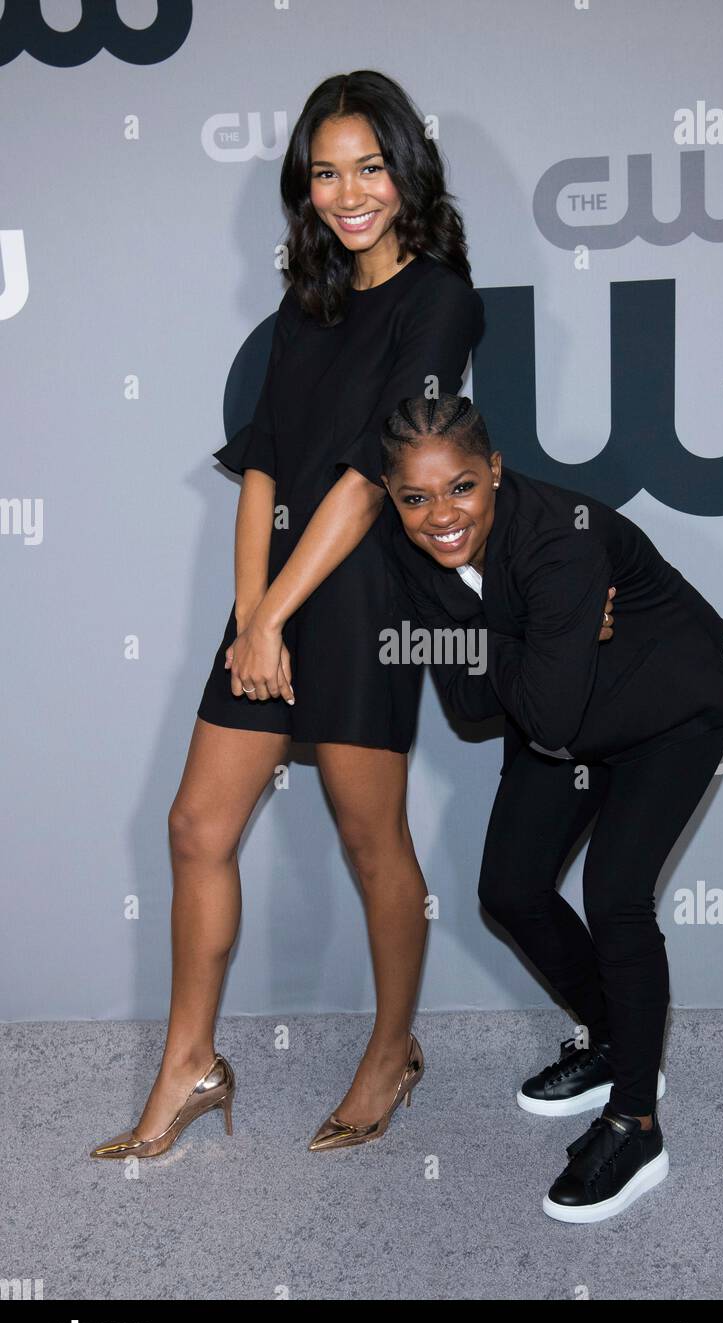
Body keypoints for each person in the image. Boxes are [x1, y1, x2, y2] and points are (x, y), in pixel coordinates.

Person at [90, 72, 494, 1160]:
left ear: (405, 173)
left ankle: (392, 1046)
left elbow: (373, 477)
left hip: (359, 594)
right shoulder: (303, 305)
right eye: (325, 171)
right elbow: (263, 465)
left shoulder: (440, 296)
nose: (347, 192)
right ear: (302, 187)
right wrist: (248, 616)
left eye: (369, 166)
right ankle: (190, 1063)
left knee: (371, 842)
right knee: (193, 826)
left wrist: (274, 608)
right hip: (267, 597)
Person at [380, 392, 723, 1222]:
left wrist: (496, 637)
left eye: (463, 489)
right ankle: (617, 1039)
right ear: (394, 496)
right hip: (565, 724)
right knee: (509, 889)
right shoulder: (413, 546)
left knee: (615, 896)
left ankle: (636, 1122)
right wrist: (536, 638)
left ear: (497, 474)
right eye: (416, 497)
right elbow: (471, 700)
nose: (441, 516)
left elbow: (526, 702)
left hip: (668, 707)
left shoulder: (561, 543)